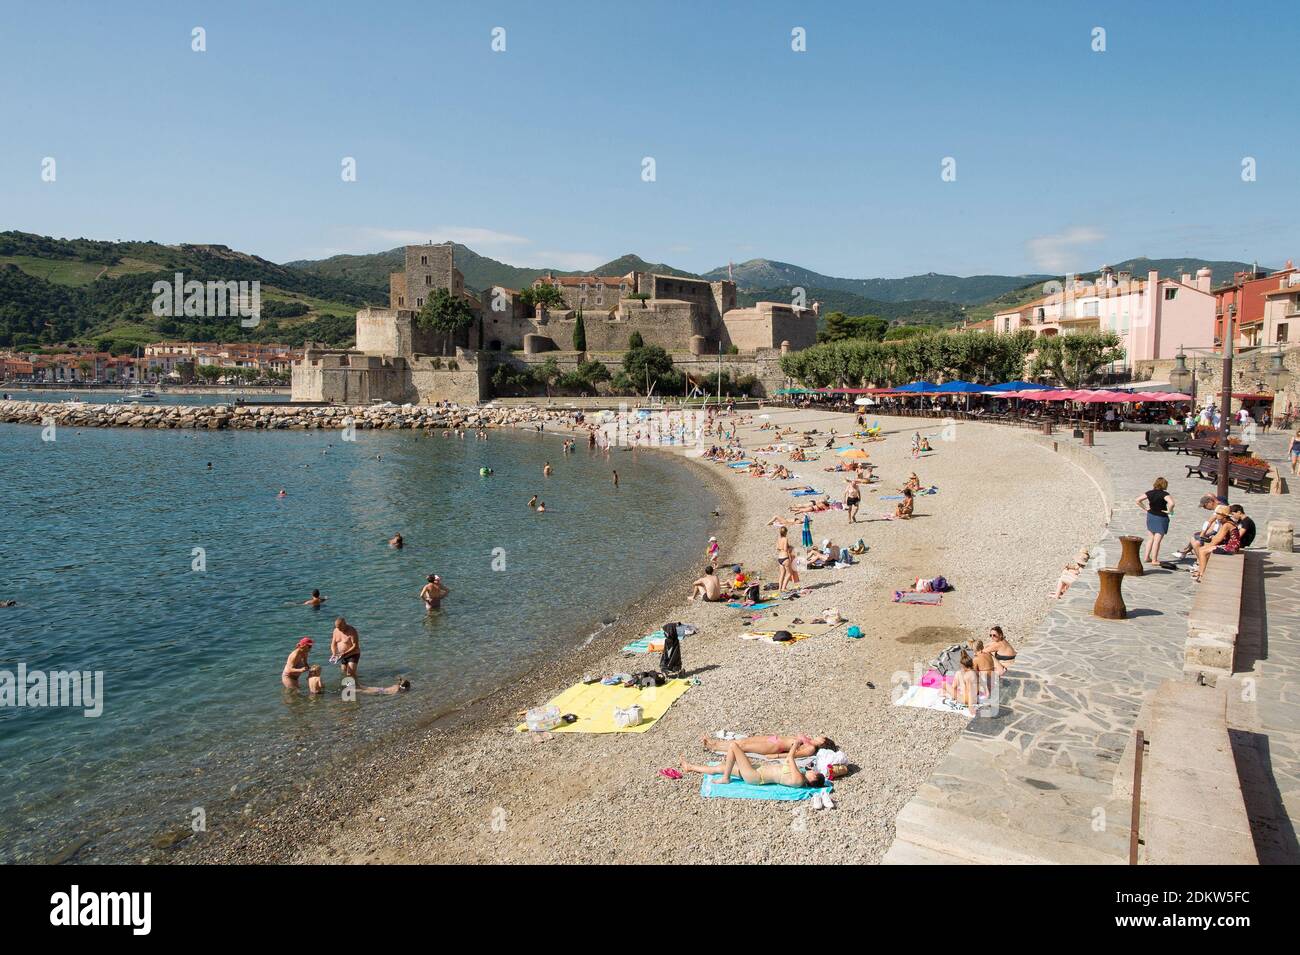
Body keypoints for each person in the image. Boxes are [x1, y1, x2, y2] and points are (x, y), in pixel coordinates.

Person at [679, 740, 825, 789]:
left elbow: (789, 759)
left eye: (815, 773)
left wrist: (795, 745)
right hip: (756, 770)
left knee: (734, 746)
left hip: (756, 776)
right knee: (724, 765)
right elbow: (789, 761)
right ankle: (690, 767)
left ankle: (725, 778)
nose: (813, 771)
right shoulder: (800, 774)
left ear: (813, 779)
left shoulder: (799, 780)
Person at [1191, 506, 1241, 582]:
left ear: (1224, 515)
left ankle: (1202, 574)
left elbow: (1217, 540)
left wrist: (1208, 545)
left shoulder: (1227, 525)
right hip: (1229, 546)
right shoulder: (1226, 523)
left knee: (1203, 551)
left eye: (1218, 514)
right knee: (1203, 549)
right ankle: (1200, 571)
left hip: (1231, 548)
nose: (1216, 516)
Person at [697, 733, 836, 759]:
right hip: (774, 739)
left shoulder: (811, 748)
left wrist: (775, 756)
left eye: (821, 737)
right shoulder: (809, 741)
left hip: (776, 747)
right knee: (745, 741)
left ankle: (714, 746)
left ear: (823, 742)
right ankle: (715, 744)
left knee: (743, 746)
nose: (819, 736)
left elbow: (794, 754)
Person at [1136, 477, 1174, 564]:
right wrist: (1170, 511)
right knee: (1157, 540)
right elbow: (1172, 503)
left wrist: (1145, 508)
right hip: (1161, 517)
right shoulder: (1165, 494)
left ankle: (1146, 557)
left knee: (1150, 539)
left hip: (1151, 515)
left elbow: (1137, 500)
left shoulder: (1150, 493)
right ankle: (1154, 560)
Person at [1173, 495, 1222, 560]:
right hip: (1215, 532)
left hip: (1216, 533)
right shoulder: (1218, 509)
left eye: (1205, 506)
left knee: (1195, 541)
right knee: (1195, 537)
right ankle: (1192, 556)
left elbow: (1208, 522)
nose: (1204, 508)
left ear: (1210, 502)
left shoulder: (1219, 509)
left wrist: (1203, 533)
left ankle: (1200, 561)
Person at [943, 650, 979, 716]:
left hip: (966, 700)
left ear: (963, 665)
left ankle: (947, 695)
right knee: (958, 674)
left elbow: (969, 691)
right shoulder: (975, 672)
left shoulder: (966, 675)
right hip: (975, 698)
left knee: (944, 684)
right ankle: (948, 694)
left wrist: (970, 707)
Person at [776, 525, 800, 592]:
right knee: (789, 573)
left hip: (780, 557)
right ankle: (784, 588)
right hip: (785, 557)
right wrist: (790, 556)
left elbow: (777, 548)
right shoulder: (785, 539)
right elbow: (786, 549)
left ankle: (779, 589)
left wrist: (787, 546)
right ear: (786, 532)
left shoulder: (779, 539)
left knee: (782, 574)